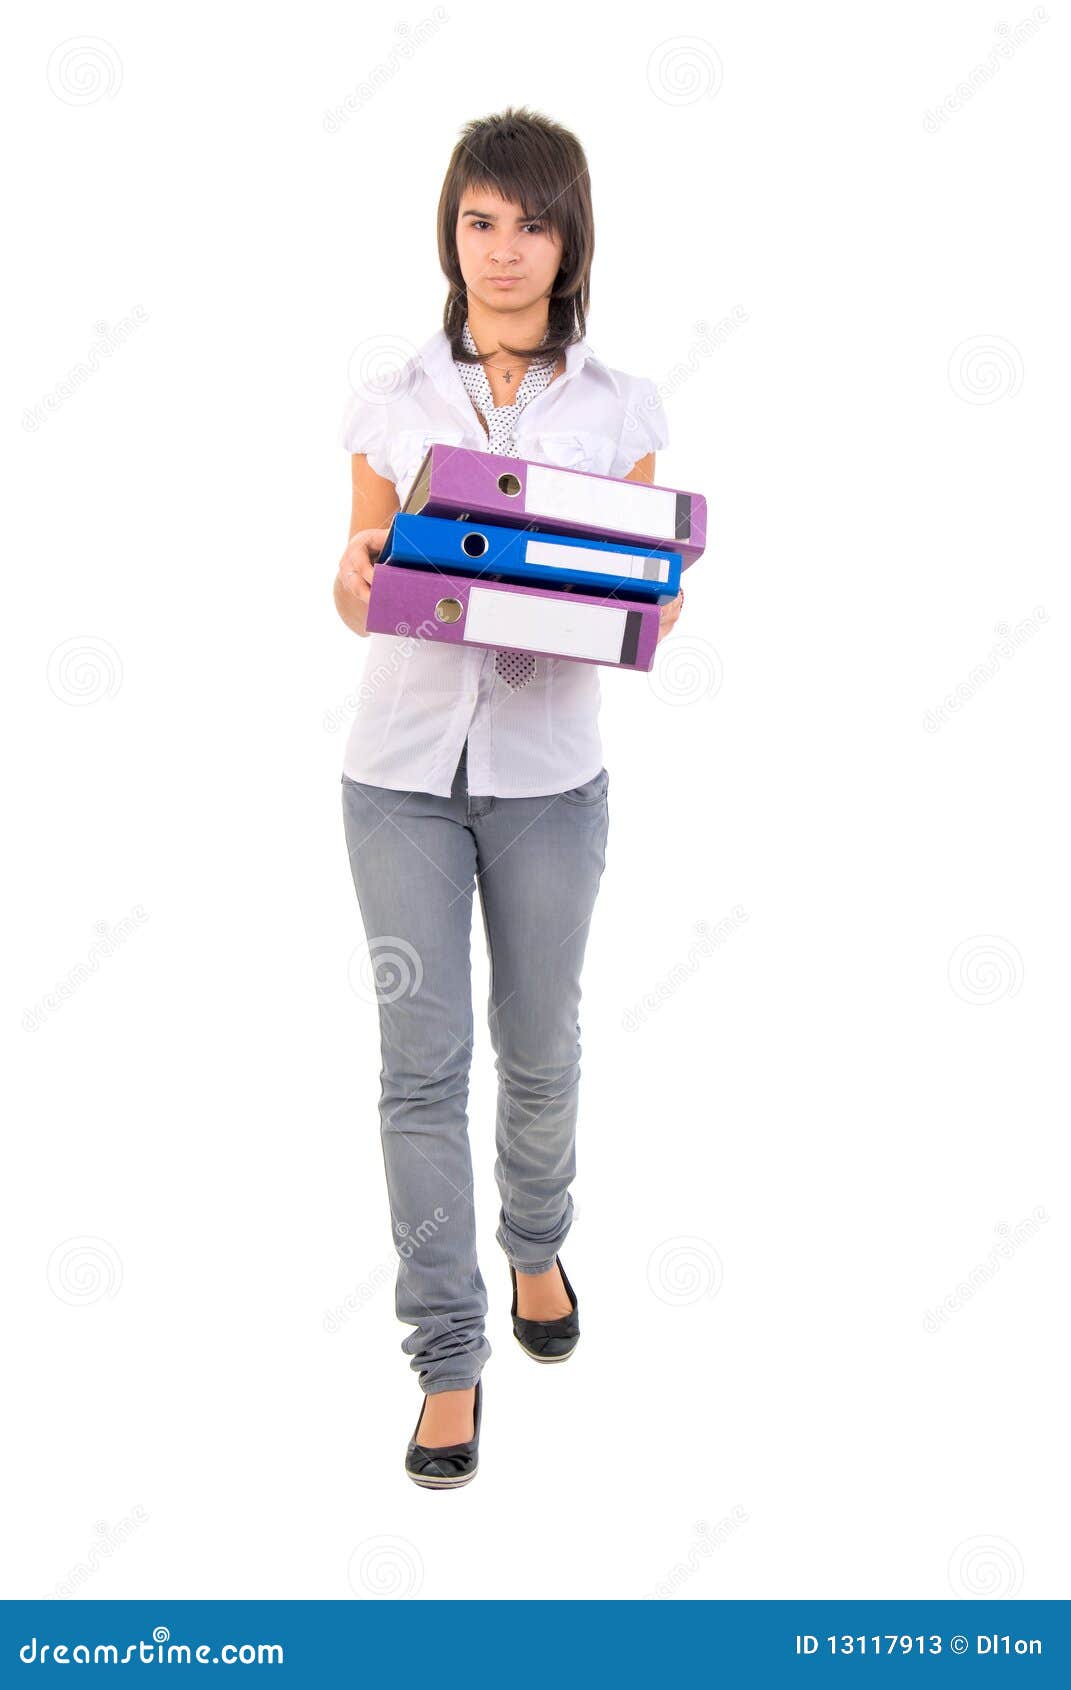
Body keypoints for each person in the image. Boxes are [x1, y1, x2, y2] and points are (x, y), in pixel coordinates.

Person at [333, 105, 684, 1488]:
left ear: (568, 237)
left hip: (548, 778)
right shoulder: (389, 394)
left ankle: (537, 1237)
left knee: (539, 1042)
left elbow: (643, 592)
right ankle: (448, 1356)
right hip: (397, 781)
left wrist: (636, 596)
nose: (504, 248)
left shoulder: (620, 406)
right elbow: (349, 586)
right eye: (480, 219)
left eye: (531, 222)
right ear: (451, 228)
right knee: (418, 1068)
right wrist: (364, 573)